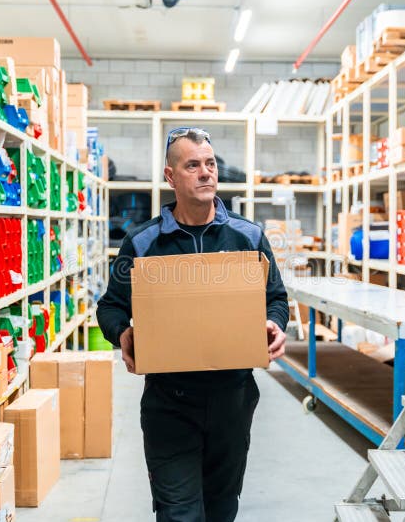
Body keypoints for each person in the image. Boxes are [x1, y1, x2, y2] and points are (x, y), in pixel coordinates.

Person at [97, 126, 289, 522]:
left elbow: (276, 298)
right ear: (170, 176)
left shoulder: (248, 237)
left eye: (210, 164)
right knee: (179, 513)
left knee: (222, 508)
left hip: (233, 398)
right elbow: (110, 307)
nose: (205, 173)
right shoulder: (143, 243)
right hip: (170, 401)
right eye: (192, 166)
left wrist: (274, 323)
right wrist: (123, 333)